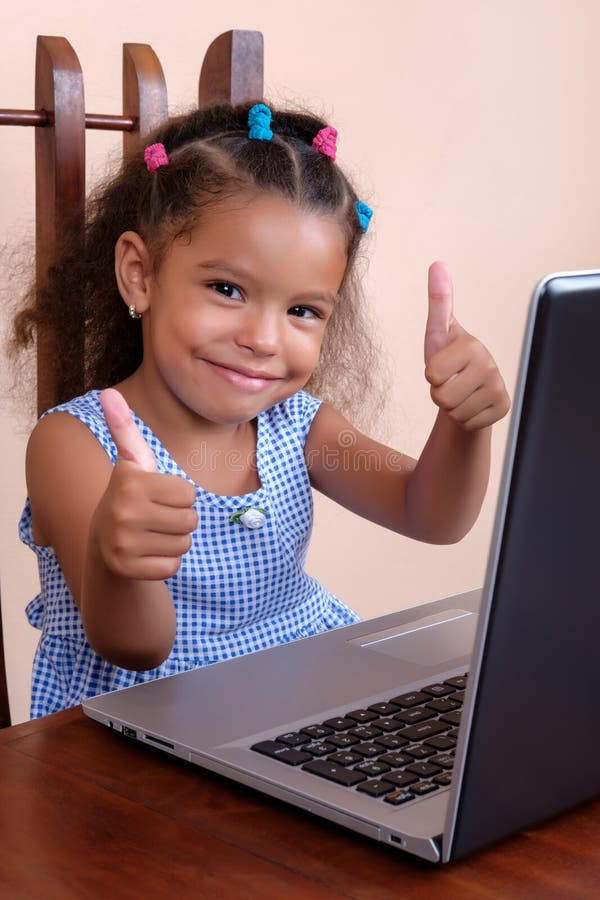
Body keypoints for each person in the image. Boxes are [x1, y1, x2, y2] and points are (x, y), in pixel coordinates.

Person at [12, 102, 510, 718]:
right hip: (139, 741)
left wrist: (464, 424)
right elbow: (134, 649)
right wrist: (124, 560)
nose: (264, 340)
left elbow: (428, 513)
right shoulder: (74, 444)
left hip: (296, 712)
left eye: (303, 311)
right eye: (227, 290)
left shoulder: (301, 428)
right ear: (140, 274)